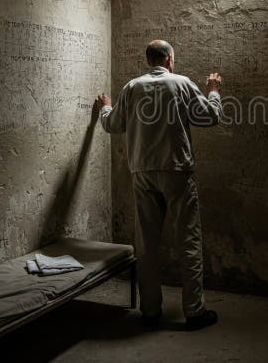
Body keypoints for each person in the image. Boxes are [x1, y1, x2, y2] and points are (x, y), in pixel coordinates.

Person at [95, 39, 222, 330]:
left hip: (142, 171)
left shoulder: (131, 87)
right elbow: (210, 117)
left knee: (146, 243)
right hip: (176, 169)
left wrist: (105, 108)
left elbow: (112, 124)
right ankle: (194, 310)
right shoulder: (181, 83)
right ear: (169, 60)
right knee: (187, 238)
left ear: (150, 60)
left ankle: (150, 309)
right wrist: (214, 91)